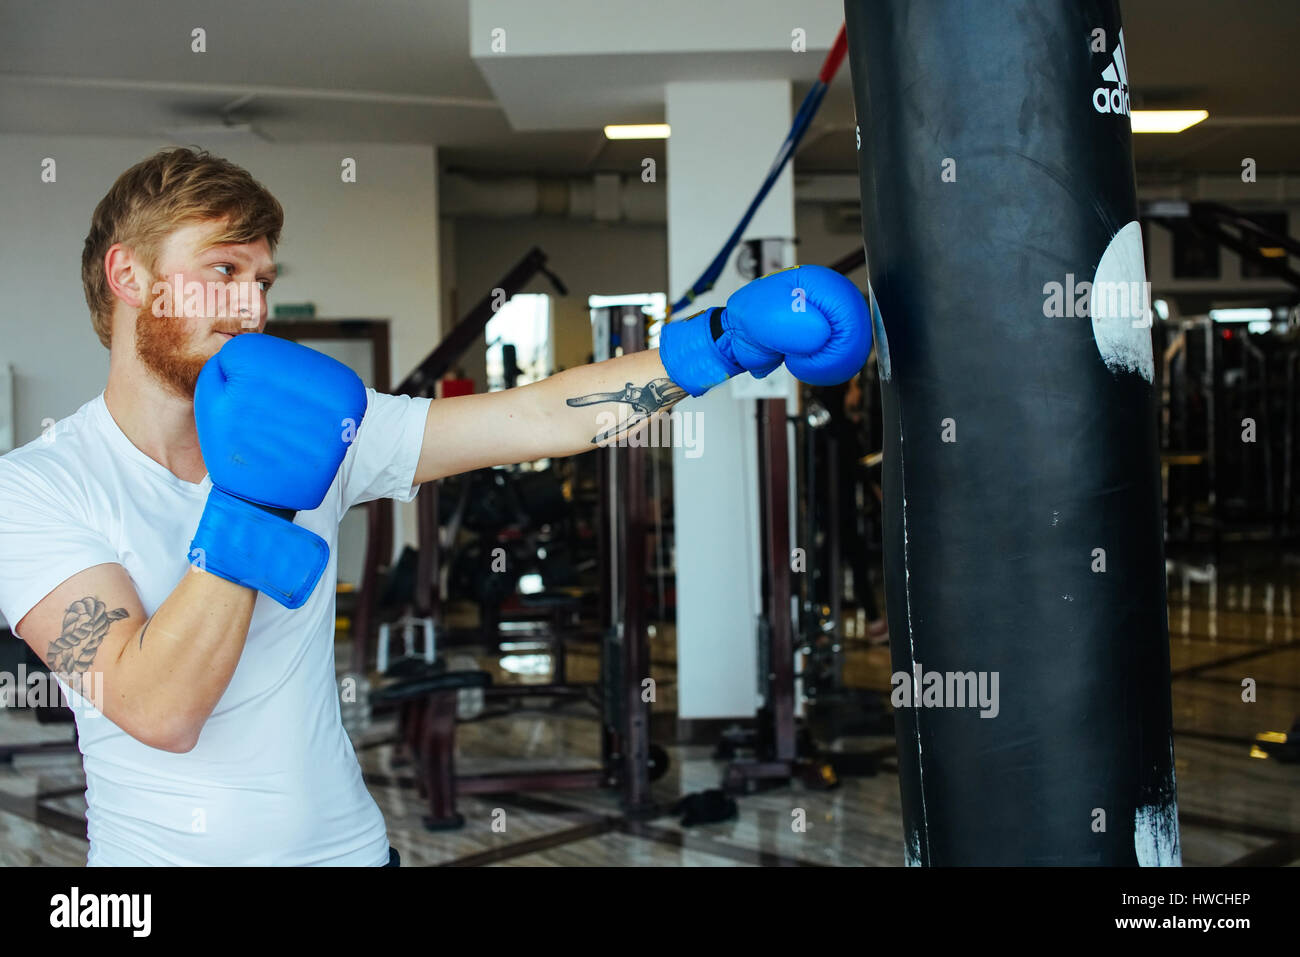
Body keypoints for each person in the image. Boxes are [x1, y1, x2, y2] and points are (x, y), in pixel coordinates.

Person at [0, 147, 871, 866]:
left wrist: (718, 345)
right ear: (130, 275)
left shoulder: (328, 428)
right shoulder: (37, 487)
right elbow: (159, 709)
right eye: (223, 270)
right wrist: (252, 499)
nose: (253, 307)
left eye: (263, 279)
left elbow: (535, 414)